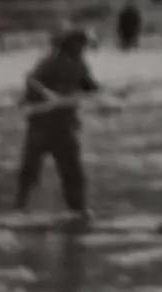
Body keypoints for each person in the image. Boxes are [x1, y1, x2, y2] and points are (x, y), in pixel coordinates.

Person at [15, 26, 101, 216]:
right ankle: (20, 206)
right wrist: (47, 96)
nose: (82, 48)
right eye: (79, 44)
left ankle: (77, 208)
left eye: (83, 45)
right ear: (69, 45)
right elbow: (32, 82)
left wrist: (100, 93)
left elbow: (89, 86)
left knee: (72, 170)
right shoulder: (50, 63)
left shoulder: (80, 64)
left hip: (65, 126)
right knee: (30, 169)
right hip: (42, 125)